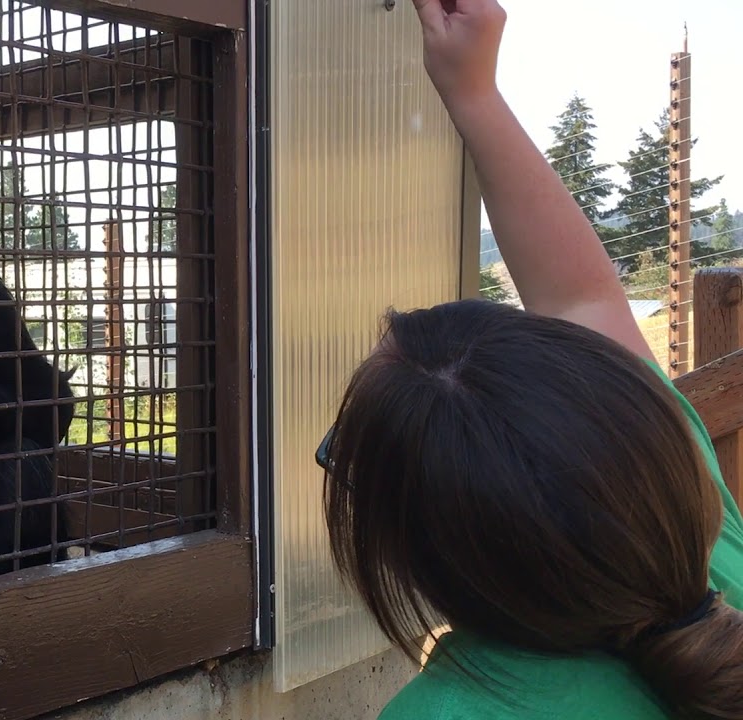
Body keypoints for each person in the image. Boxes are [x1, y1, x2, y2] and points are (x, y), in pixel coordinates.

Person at [316, 1, 743, 718]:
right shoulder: (705, 561)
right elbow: (581, 299)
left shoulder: (453, 712)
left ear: (428, 559)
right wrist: (471, 88)